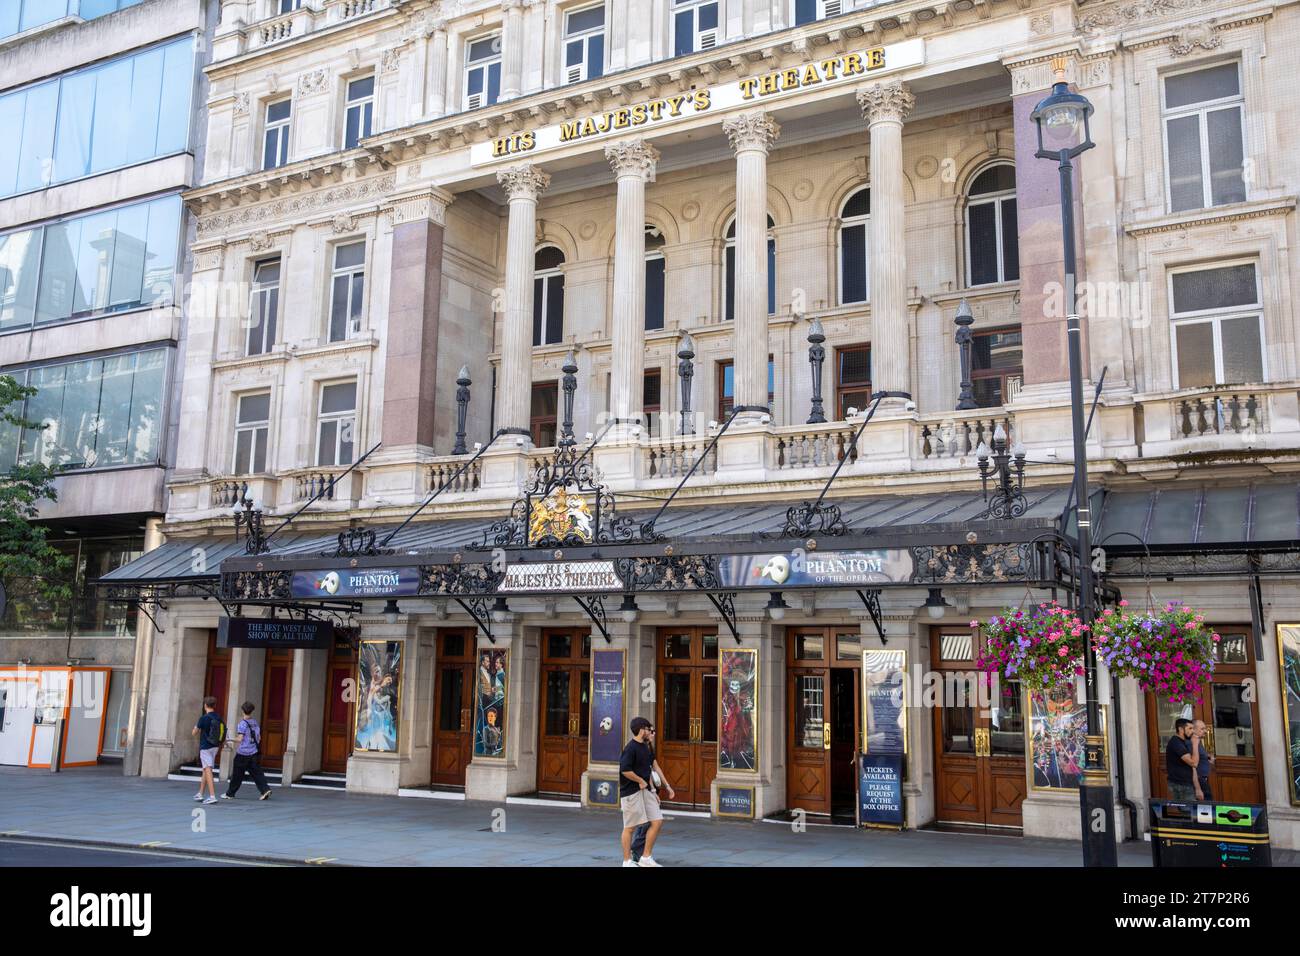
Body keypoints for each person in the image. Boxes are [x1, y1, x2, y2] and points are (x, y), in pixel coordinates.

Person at [619, 716, 674, 867]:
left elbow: (648, 770)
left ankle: (646, 857)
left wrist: (653, 790)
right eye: (648, 729)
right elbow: (625, 770)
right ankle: (627, 861)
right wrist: (640, 781)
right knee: (629, 827)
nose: (650, 731)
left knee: (657, 821)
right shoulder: (630, 748)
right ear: (641, 730)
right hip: (631, 793)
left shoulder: (646, 747)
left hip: (646, 791)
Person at [222, 701, 272, 801]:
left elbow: (240, 739)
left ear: (242, 711)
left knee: (237, 775)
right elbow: (259, 737)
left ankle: (230, 794)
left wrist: (229, 739)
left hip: (243, 753)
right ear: (251, 711)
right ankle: (265, 789)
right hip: (253, 752)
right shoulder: (254, 723)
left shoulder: (242, 724)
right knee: (257, 773)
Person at [630, 725, 659, 862]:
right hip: (640, 789)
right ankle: (637, 850)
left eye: (653, 731)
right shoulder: (639, 748)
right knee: (647, 822)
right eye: (651, 731)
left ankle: (639, 851)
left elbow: (651, 769)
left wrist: (654, 791)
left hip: (648, 789)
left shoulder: (648, 748)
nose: (653, 734)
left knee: (648, 822)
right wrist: (652, 790)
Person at [192, 697, 224, 805]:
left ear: (205, 705)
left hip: (205, 746)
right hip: (215, 746)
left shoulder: (203, 718)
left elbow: (194, 732)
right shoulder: (218, 717)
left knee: (208, 769)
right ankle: (200, 793)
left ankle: (212, 796)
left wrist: (196, 726)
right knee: (205, 769)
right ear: (214, 706)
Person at [1164, 717, 1200, 802]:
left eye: (1193, 728)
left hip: (1183, 783)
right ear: (1180, 729)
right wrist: (1195, 745)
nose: (1192, 731)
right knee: (1189, 812)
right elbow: (1194, 763)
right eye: (1190, 728)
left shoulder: (1181, 742)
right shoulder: (1176, 743)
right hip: (1181, 785)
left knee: (1188, 811)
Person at [1192, 719, 1216, 801]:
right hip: (1199, 781)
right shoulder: (1194, 742)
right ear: (1193, 730)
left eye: (1205, 728)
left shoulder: (1198, 741)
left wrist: (1207, 758)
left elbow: (1199, 756)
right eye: (1202, 729)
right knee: (1207, 809)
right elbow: (1192, 766)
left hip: (1203, 780)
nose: (1205, 731)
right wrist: (1198, 788)